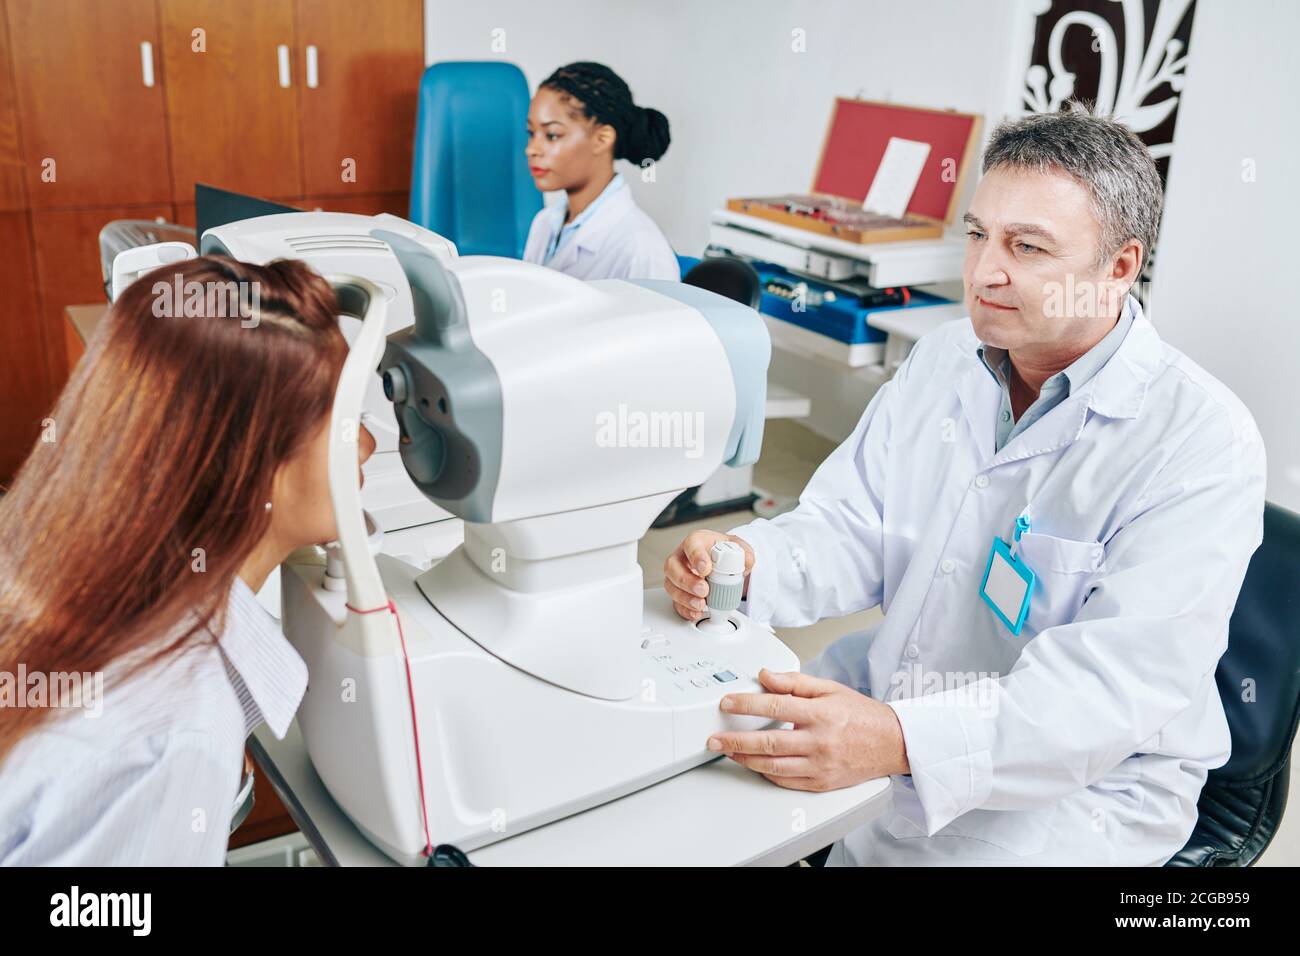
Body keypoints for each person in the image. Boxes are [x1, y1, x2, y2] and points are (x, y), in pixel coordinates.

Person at [663, 105, 1267, 866]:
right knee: (685, 784)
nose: (985, 271)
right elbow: (853, 522)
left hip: (1081, 792)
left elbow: (1101, 696)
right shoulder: (949, 355)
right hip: (901, 704)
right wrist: (753, 564)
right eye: (979, 234)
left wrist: (901, 739)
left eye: (1027, 246)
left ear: (1117, 268)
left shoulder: (1201, 442)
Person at [0, 256, 375, 864]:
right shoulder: (172, 740)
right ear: (254, 461)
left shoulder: (49, 556)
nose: (367, 443)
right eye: (346, 420)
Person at [523, 61, 679, 280]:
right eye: (531, 133)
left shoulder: (642, 250)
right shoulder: (544, 223)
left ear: (602, 139)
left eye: (552, 135)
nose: (531, 149)